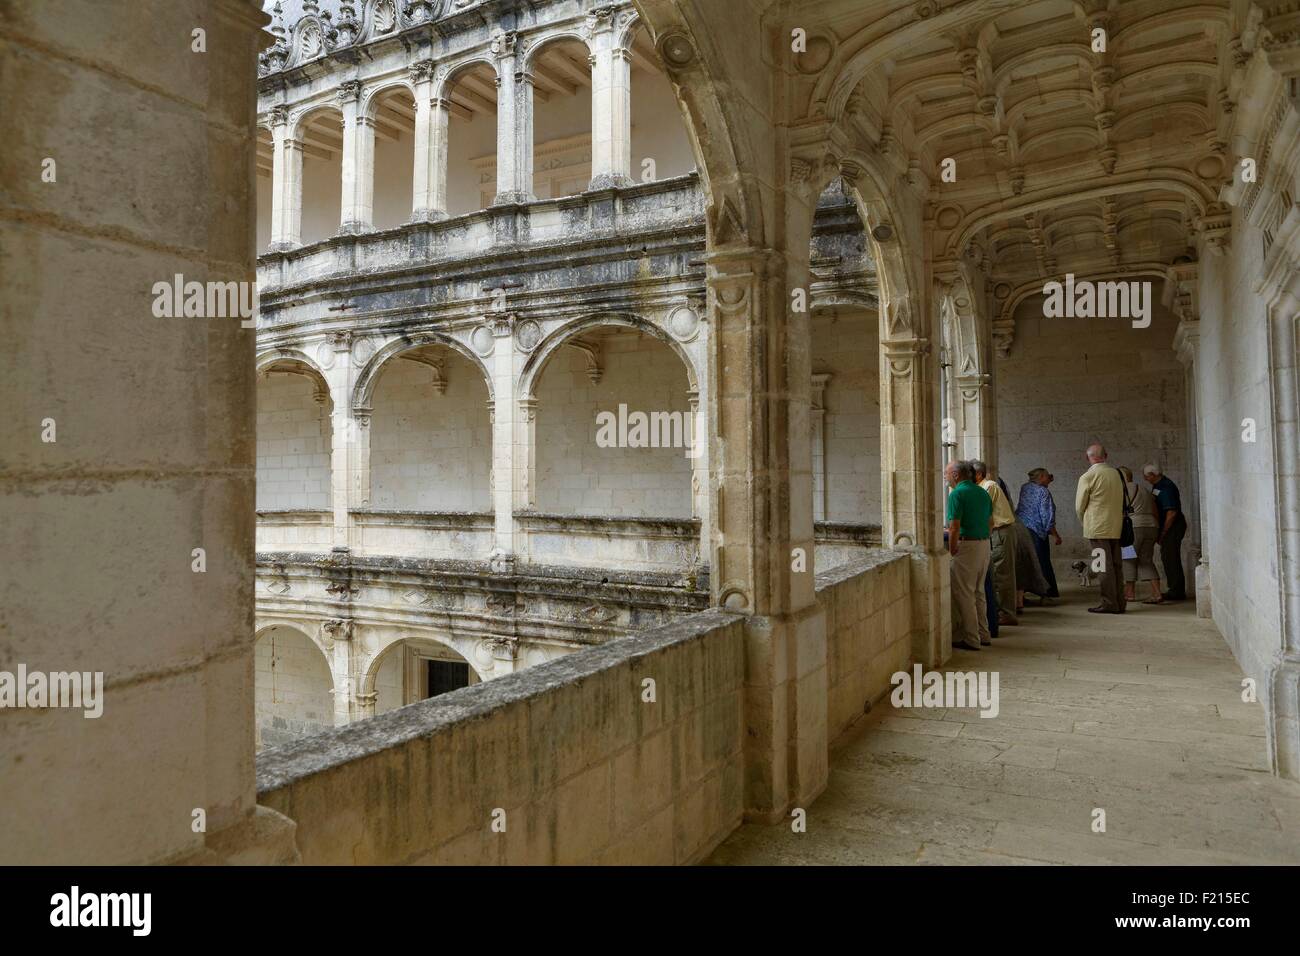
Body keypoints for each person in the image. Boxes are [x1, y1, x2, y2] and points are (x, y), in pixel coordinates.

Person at [945, 459, 992, 650]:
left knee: (964, 593)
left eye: (947, 473)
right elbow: (991, 522)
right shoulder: (982, 491)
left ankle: (971, 639)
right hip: (984, 544)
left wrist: (952, 549)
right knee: (979, 592)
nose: (945, 476)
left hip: (967, 546)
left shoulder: (957, 494)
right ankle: (984, 634)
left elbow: (954, 527)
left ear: (956, 475)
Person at [1076, 442, 1127, 613]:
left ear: (1087, 457)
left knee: (1102, 566)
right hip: (1116, 526)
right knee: (1117, 566)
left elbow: (1079, 506)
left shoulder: (1087, 477)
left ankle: (1109, 603)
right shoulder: (1117, 474)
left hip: (1097, 528)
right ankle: (1120, 602)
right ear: (1106, 456)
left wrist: (1084, 522)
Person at [973, 459, 1018, 626]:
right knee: (999, 573)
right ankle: (1004, 611)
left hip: (1001, 532)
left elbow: (981, 512)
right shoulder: (984, 487)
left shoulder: (988, 487)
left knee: (1002, 574)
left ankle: (1007, 613)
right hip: (998, 532)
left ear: (978, 474)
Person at [1143, 464, 1187, 601]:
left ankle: (1176, 591)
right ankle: (1174, 588)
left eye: (1146, 476)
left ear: (1153, 474)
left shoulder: (1165, 487)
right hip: (1169, 526)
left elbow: (1171, 512)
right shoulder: (1158, 486)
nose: (1145, 479)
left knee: (1171, 557)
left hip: (1173, 527)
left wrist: (1163, 532)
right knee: (1167, 557)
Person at [1119, 466, 1162, 604]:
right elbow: (1155, 509)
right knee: (1146, 560)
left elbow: (1119, 511)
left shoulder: (1123, 490)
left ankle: (1129, 593)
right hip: (1152, 527)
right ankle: (1156, 593)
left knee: (1128, 559)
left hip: (1134, 529)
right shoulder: (1144, 489)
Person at [1017, 467, 1061, 600]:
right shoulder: (1043, 492)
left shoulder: (1024, 487)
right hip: (1036, 531)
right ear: (1041, 477)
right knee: (1042, 561)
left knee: (1024, 561)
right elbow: (1047, 515)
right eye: (1048, 476)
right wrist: (1055, 534)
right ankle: (1046, 592)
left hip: (1021, 528)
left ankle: (1021, 594)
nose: (1050, 479)